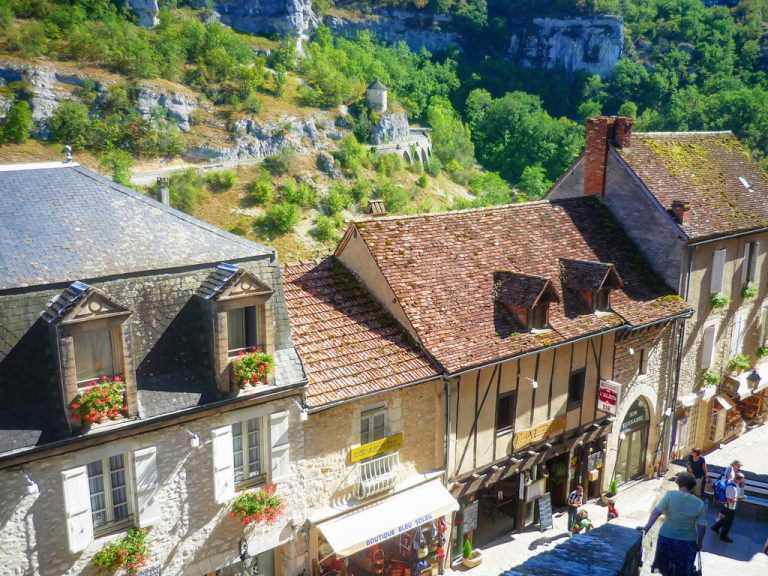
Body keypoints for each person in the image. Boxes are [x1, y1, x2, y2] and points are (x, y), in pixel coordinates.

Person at [639, 472, 706, 576]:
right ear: (692, 486)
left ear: (678, 483)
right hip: (688, 541)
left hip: (667, 537)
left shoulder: (670, 495)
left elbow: (656, 512)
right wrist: (699, 543)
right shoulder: (699, 503)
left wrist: (646, 528)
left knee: (666, 570)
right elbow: (702, 526)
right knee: (683, 571)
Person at [712, 472, 746, 543]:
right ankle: (723, 536)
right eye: (742, 480)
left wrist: (741, 487)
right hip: (730, 507)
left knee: (726, 518)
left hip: (727, 506)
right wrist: (739, 499)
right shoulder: (732, 488)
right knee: (728, 523)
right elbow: (730, 500)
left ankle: (715, 527)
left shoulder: (731, 481)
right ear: (738, 480)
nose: (742, 481)